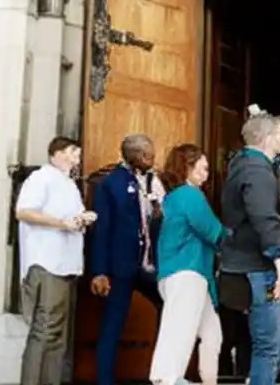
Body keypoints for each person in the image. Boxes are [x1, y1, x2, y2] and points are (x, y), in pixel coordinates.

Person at [222, 108, 280, 385]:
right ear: (268, 138)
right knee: (267, 345)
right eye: (279, 136)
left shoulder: (241, 163)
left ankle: (259, 378)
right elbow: (263, 217)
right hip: (259, 267)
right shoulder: (257, 171)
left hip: (247, 262)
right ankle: (261, 378)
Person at [89, 134, 166, 385]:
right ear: (134, 156)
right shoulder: (110, 184)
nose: (151, 160)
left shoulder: (154, 181)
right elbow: (101, 230)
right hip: (119, 266)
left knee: (170, 306)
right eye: (147, 156)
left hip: (148, 264)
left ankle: (163, 374)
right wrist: (99, 271)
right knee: (113, 325)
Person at [14, 137, 92, 385]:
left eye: (77, 154)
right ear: (56, 154)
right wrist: (62, 223)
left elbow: (71, 218)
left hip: (66, 264)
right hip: (47, 263)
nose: (76, 159)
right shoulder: (41, 178)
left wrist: (81, 220)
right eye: (71, 153)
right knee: (45, 331)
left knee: (58, 336)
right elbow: (24, 211)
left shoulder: (68, 184)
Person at [151, 145, 228, 385]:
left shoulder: (173, 197)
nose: (207, 175)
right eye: (203, 168)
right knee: (179, 330)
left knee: (211, 333)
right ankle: (166, 378)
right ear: (188, 167)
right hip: (188, 271)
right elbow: (212, 230)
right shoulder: (190, 195)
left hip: (180, 271)